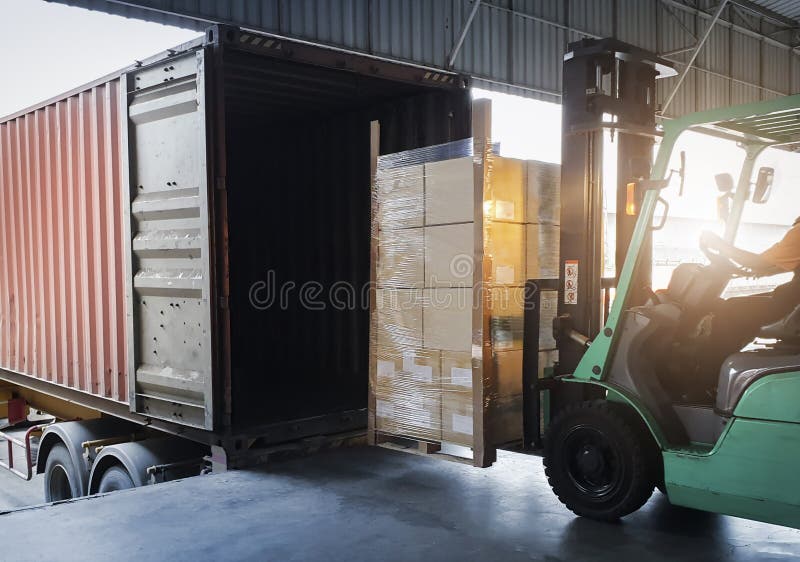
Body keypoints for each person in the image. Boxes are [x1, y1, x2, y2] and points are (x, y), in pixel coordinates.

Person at [700, 218, 800, 376]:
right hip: (794, 300)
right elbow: (781, 263)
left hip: (793, 308)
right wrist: (759, 270)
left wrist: (719, 244)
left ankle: (710, 376)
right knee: (740, 305)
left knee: (729, 310)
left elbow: (759, 262)